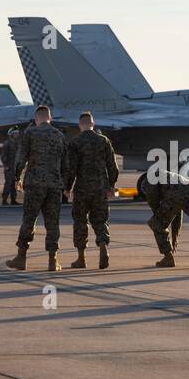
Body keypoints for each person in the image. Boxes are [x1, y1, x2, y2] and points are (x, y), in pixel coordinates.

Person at [6, 107, 68, 272]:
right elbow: (65, 164)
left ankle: (21, 257)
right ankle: (52, 261)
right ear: (50, 118)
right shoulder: (59, 135)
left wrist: (16, 178)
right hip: (54, 185)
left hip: (34, 184)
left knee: (28, 220)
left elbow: (21, 159)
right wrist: (67, 185)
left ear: (36, 118)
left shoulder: (30, 134)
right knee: (52, 223)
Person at [64, 112, 118, 269]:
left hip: (82, 189)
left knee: (80, 221)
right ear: (93, 124)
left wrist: (68, 187)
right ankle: (103, 247)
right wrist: (111, 185)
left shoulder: (75, 142)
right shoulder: (103, 141)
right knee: (101, 220)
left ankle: (81, 258)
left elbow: (71, 168)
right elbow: (112, 166)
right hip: (100, 188)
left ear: (80, 125)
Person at [137, 169, 189, 268]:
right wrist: (175, 235)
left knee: (156, 224)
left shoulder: (150, 180)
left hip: (175, 195)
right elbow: (177, 212)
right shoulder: (170, 176)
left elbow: (153, 202)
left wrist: (159, 219)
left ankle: (168, 258)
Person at [0, 128, 19, 205]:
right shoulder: (7, 144)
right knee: (8, 183)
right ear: (11, 134)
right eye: (16, 133)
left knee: (14, 184)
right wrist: (6, 166)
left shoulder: (17, 143)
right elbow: (3, 156)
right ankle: (4, 200)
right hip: (9, 167)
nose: (17, 135)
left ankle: (13, 200)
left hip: (15, 167)